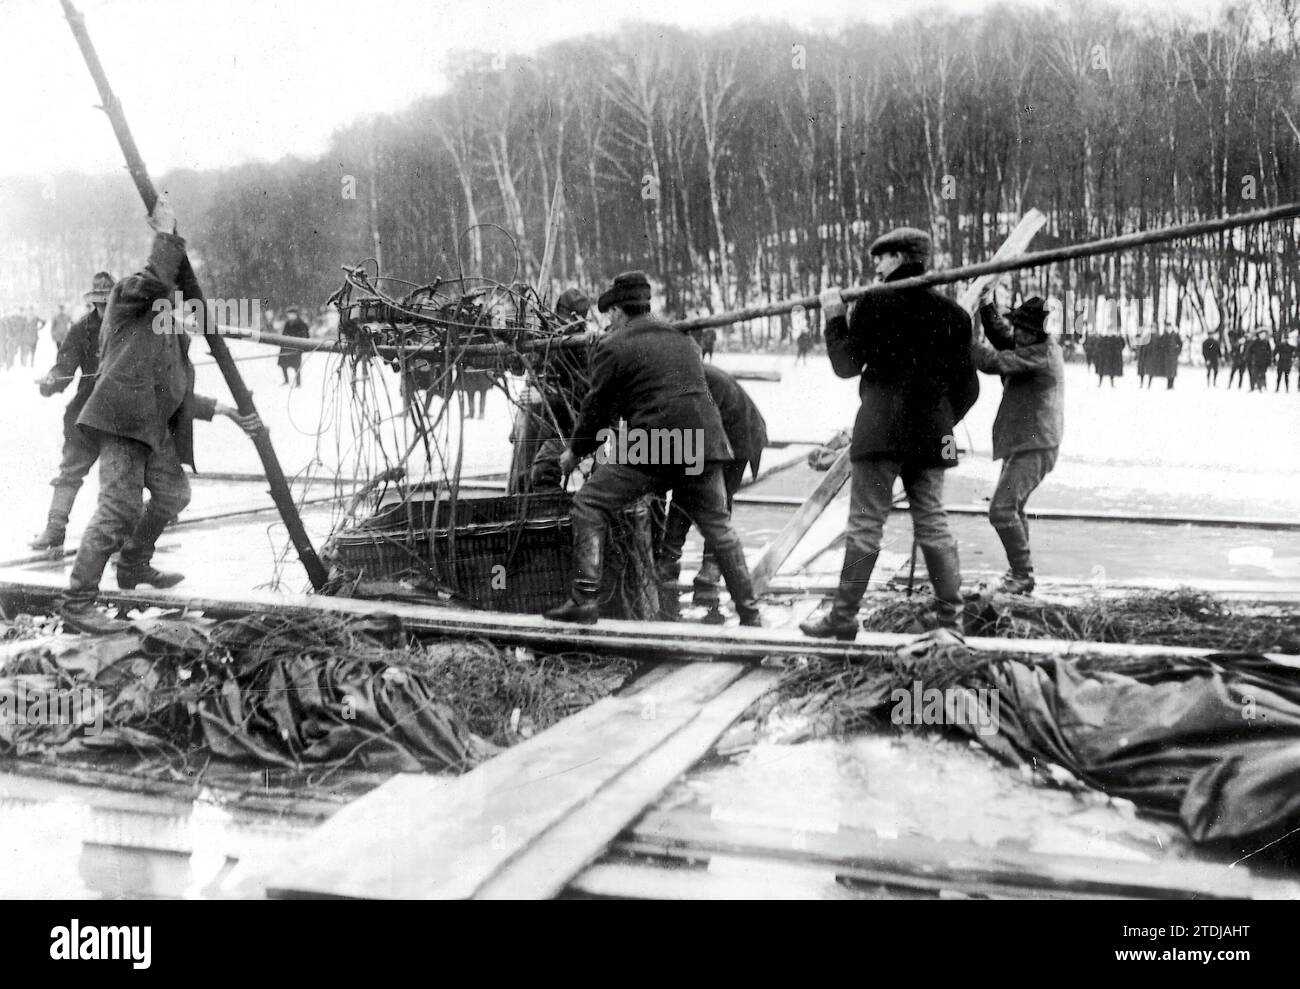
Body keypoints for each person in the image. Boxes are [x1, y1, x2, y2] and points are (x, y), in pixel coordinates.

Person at [60, 200, 261, 635]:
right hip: (119, 421)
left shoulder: (170, 335)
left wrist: (222, 410)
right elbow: (154, 280)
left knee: (172, 494)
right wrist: (167, 235)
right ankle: (77, 601)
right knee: (119, 507)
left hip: (149, 430)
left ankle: (133, 565)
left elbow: (174, 394)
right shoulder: (130, 294)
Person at [544, 270, 760, 627]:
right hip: (703, 444)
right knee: (719, 528)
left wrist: (574, 452)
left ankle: (584, 600)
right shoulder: (682, 340)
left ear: (616, 312)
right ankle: (751, 615)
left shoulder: (613, 345)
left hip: (656, 443)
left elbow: (597, 409)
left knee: (589, 503)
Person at [800, 227, 977, 640]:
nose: (875, 268)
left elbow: (845, 364)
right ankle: (953, 622)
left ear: (898, 258)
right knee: (934, 523)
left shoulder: (873, 303)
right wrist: (941, 420)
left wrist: (832, 317)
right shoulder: (953, 315)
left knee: (865, 526)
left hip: (880, 430)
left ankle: (843, 617)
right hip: (934, 435)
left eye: (880, 259)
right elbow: (969, 387)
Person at [657, 362, 768, 622]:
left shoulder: (677, 377)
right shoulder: (673, 373)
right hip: (717, 433)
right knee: (688, 495)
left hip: (738, 434)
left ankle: (706, 568)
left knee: (713, 501)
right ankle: (673, 565)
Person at [971, 291, 1064, 595]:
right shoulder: (1032, 345)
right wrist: (986, 307)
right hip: (1027, 441)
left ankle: (1023, 574)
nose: (1018, 335)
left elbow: (994, 361)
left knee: (1002, 510)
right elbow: (1002, 337)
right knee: (1014, 508)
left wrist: (957, 336)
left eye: (1024, 331)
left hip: (1035, 445)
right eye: (1018, 329)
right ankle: (1020, 573)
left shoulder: (1041, 354)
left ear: (1036, 333)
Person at [29, 273, 115, 552]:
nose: (104, 308)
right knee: (70, 472)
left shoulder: (130, 327)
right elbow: (65, 368)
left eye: (109, 301)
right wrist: (52, 379)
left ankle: (138, 529)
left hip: (124, 415)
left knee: (130, 477)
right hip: (88, 414)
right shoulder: (80, 330)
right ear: (93, 302)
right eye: (99, 302)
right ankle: (55, 530)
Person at [278, 306, 310, 387]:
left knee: (296, 367)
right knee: (283, 365)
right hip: (286, 348)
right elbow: (284, 334)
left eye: (292, 314)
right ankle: (286, 380)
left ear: (296, 315)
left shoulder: (301, 324)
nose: (290, 316)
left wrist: (300, 347)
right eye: (289, 314)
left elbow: (305, 337)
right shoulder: (287, 324)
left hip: (296, 348)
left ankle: (298, 383)